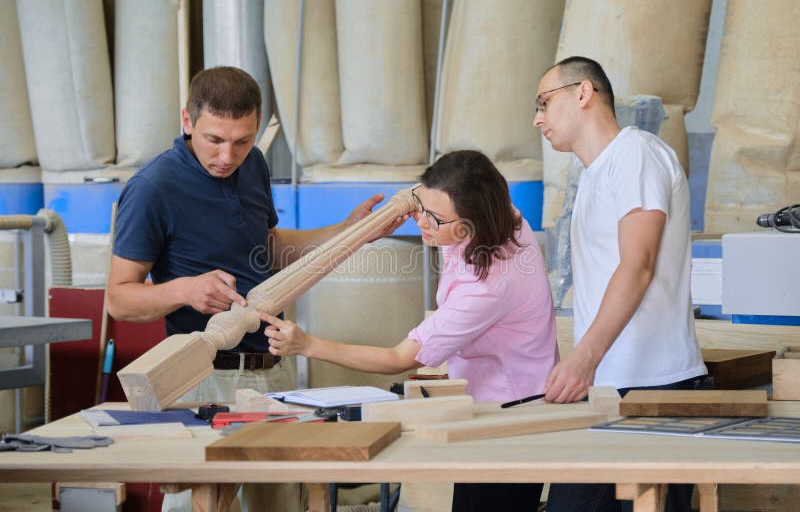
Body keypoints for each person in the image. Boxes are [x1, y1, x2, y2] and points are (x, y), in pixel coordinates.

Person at [107, 66, 402, 512]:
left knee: (281, 503)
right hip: (204, 377)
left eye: (242, 141)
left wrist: (346, 231)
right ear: (187, 121)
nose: (228, 156)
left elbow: (269, 249)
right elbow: (119, 299)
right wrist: (184, 290)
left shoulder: (254, 166)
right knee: (204, 502)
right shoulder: (153, 188)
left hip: (273, 371)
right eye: (214, 140)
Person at [262, 150, 559, 512]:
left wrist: (306, 344)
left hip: (511, 419)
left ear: (471, 224)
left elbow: (397, 358)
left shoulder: (486, 287)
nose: (422, 222)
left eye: (434, 218)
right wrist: (406, 203)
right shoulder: (498, 214)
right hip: (493, 399)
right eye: (422, 207)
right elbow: (436, 189)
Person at [533, 56, 707, 512]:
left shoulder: (636, 154)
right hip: (610, 386)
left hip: (653, 386)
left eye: (545, 103)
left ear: (584, 93)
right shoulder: (594, 174)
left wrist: (583, 359)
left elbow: (638, 264)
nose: (538, 119)